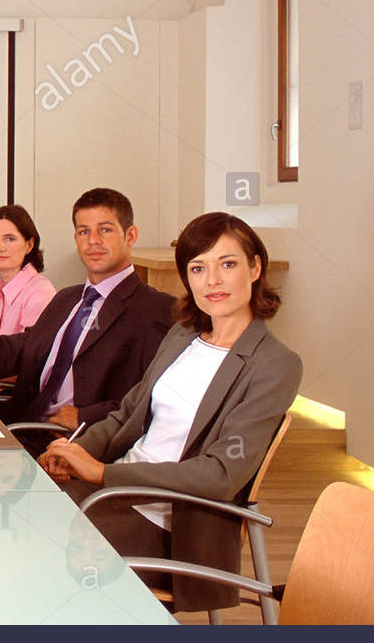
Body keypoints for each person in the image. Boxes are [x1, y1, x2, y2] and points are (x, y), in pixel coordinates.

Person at [39, 212, 302, 613]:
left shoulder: (274, 363)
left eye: (227, 264)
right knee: (13, 518)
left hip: (170, 522)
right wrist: (72, 451)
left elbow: (219, 475)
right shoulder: (183, 335)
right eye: (198, 268)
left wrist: (103, 472)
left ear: (255, 268)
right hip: (113, 493)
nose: (211, 280)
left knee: (40, 556)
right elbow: (127, 412)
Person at [0, 188, 173, 440]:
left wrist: (87, 416)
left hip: (73, 440)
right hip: (22, 423)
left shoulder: (155, 310)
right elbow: (11, 350)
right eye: (84, 231)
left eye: (105, 230)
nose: (93, 241)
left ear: (131, 235)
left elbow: (155, 397)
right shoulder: (67, 299)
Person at [0, 204, 56, 344]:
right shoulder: (0, 295)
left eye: (10, 239)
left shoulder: (40, 293)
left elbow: (28, 356)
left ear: (29, 245)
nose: (0, 247)